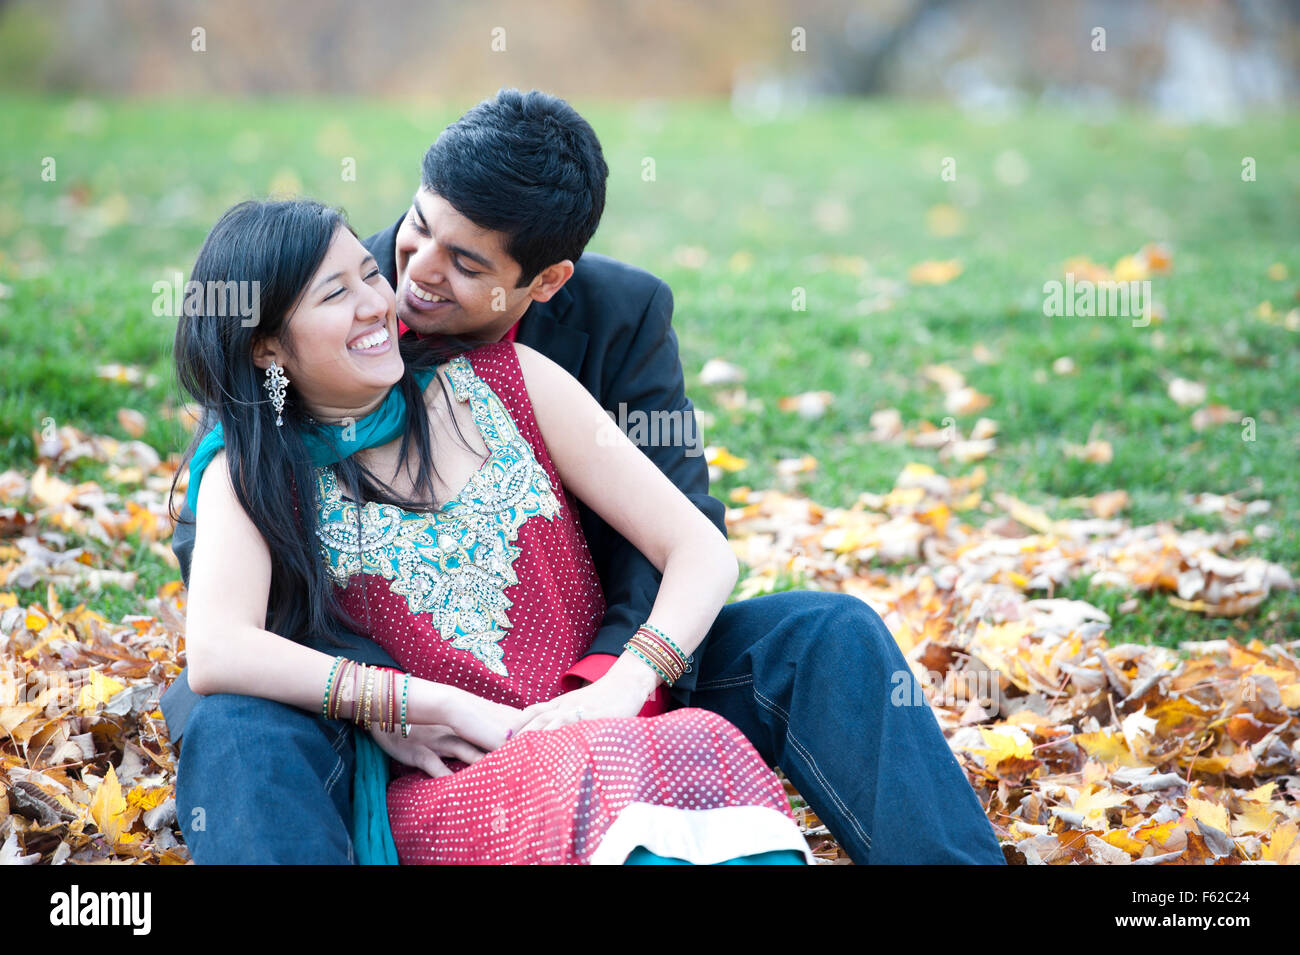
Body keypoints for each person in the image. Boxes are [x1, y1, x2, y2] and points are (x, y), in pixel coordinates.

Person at [163, 89, 1005, 865]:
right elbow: (232, 585)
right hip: (383, 691)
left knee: (829, 633)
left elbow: (682, 532)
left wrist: (615, 682)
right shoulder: (307, 316)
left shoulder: (600, 329)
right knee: (236, 726)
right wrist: (402, 705)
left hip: (589, 654)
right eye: (413, 231)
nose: (408, 279)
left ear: (545, 281)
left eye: (464, 264)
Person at [174, 196, 814, 865]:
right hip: (456, 788)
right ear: (267, 344)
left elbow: (700, 548)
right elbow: (218, 648)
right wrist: (433, 705)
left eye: (371, 273)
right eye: (337, 293)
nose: (376, 303)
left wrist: (625, 682)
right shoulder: (251, 470)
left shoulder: (508, 381)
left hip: (608, 732)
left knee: (699, 738)